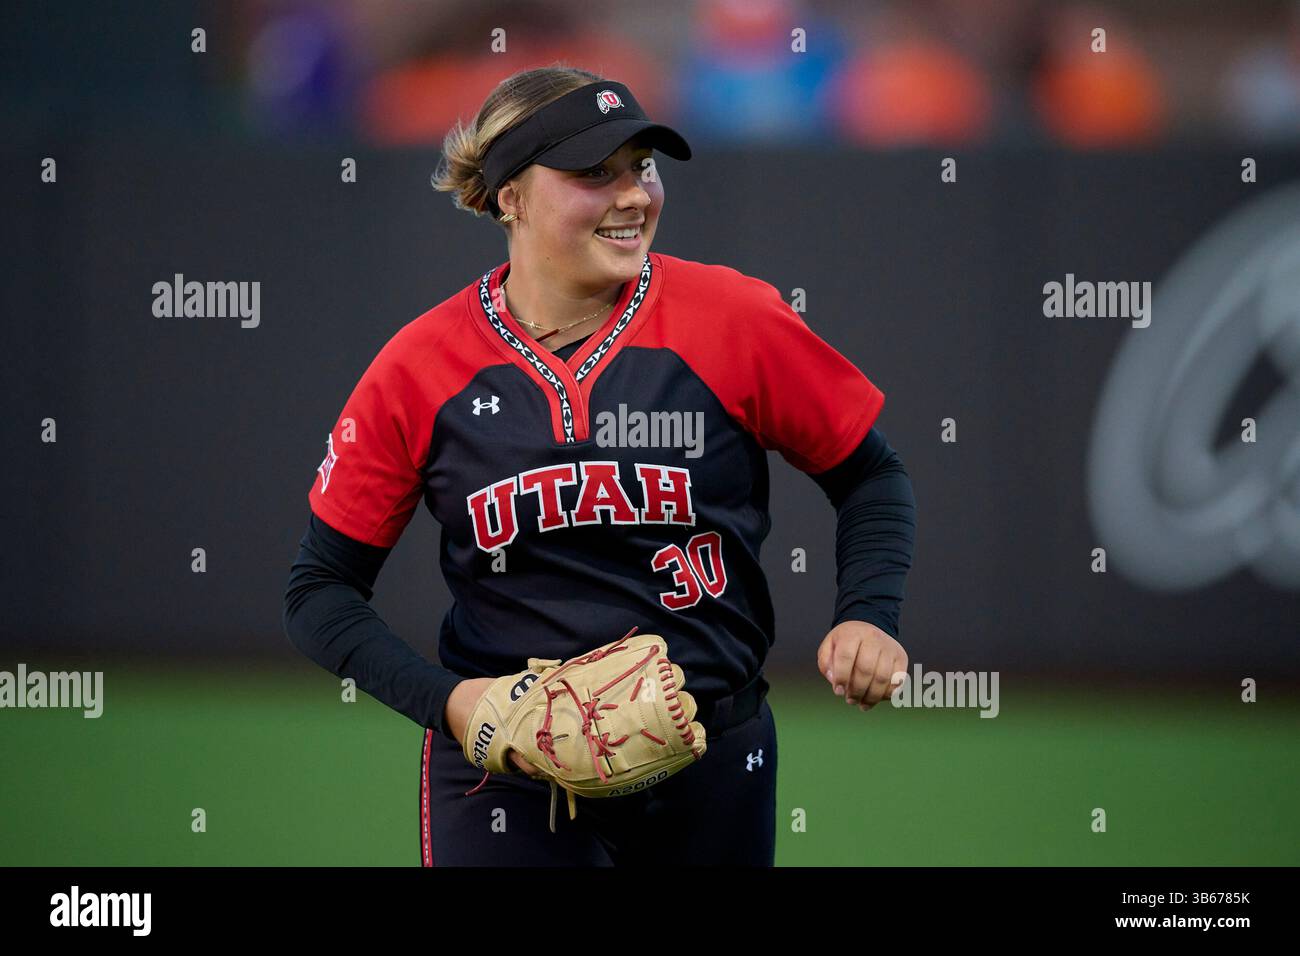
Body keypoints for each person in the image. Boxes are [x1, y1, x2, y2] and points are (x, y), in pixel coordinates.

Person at [282, 65, 916, 867]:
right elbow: (318, 592)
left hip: (711, 760)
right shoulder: (420, 368)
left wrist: (868, 613)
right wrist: (452, 702)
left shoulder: (733, 319)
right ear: (508, 195)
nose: (632, 196)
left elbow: (871, 475)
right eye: (592, 173)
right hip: (510, 776)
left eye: (641, 167)